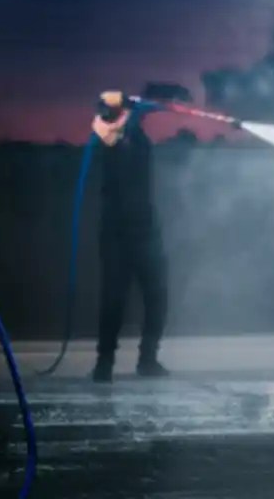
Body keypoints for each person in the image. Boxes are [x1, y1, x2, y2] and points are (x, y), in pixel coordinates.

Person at [91, 91, 170, 382]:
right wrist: (120, 104)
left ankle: (148, 359)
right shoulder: (105, 133)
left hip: (145, 229)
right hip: (116, 232)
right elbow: (106, 127)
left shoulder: (139, 140)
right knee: (113, 298)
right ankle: (104, 363)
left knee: (157, 295)